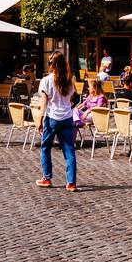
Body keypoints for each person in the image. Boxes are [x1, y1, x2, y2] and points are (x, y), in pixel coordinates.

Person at [36, 52, 79, 191]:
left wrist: (39, 119)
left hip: (52, 117)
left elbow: (44, 101)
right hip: (67, 117)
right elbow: (73, 99)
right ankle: (71, 182)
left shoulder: (46, 80)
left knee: (45, 147)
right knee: (69, 150)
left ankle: (47, 178)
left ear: (51, 64)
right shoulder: (69, 80)